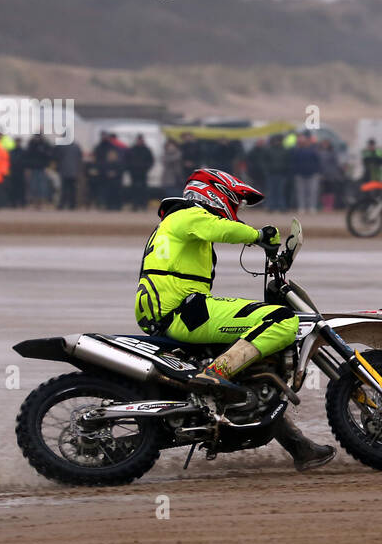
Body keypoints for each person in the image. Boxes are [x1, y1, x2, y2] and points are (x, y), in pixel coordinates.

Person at [133, 168, 334, 471]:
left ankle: (300, 447)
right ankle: (216, 373)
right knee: (281, 320)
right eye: (235, 202)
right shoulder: (185, 215)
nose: (236, 210)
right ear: (214, 194)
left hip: (180, 310)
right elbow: (221, 230)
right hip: (182, 311)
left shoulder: (182, 223)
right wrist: (259, 235)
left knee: (253, 368)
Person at [291, 132, 321, 214]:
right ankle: (302, 207)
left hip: (312, 173)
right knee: (301, 192)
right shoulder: (297, 150)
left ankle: (312, 207)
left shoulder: (314, 150)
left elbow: (318, 161)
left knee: (312, 192)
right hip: (300, 174)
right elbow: (294, 161)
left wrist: (317, 171)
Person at [25, 133, 53, 209]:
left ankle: (41, 202)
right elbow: (27, 156)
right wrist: (28, 167)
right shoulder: (31, 144)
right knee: (33, 185)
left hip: (42, 168)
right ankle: (34, 202)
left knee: (42, 186)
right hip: (33, 168)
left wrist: (47, 166)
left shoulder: (45, 144)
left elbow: (49, 155)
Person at [127, 134, 155, 211]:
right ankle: (134, 205)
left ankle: (143, 205)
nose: (139, 141)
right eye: (138, 140)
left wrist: (146, 168)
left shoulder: (146, 150)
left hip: (143, 173)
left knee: (144, 190)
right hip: (133, 173)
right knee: (134, 189)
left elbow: (151, 161)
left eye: (141, 140)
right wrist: (130, 169)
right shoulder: (132, 149)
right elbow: (127, 160)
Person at [55, 138, 83, 209]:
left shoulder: (61, 146)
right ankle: (72, 205)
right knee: (72, 189)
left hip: (64, 170)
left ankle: (62, 204)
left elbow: (56, 156)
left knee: (64, 188)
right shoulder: (76, 146)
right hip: (74, 170)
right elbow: (79, 158)